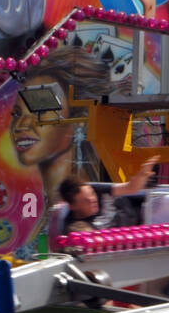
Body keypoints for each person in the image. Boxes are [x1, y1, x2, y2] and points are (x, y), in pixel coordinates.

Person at [11, 47, 122, 204]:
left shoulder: (95, 204)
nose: (20, 125)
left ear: (80, 118)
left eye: (40, 110)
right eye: (17, 114)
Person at [57, 161, 159, 233]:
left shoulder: (97, 190)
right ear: (73, 206)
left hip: (146, 209)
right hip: (139, 233)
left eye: (92, 193)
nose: (93, 199)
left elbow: (130, 188)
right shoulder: (76, 226)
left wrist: (141, 175)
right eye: (86, 200)